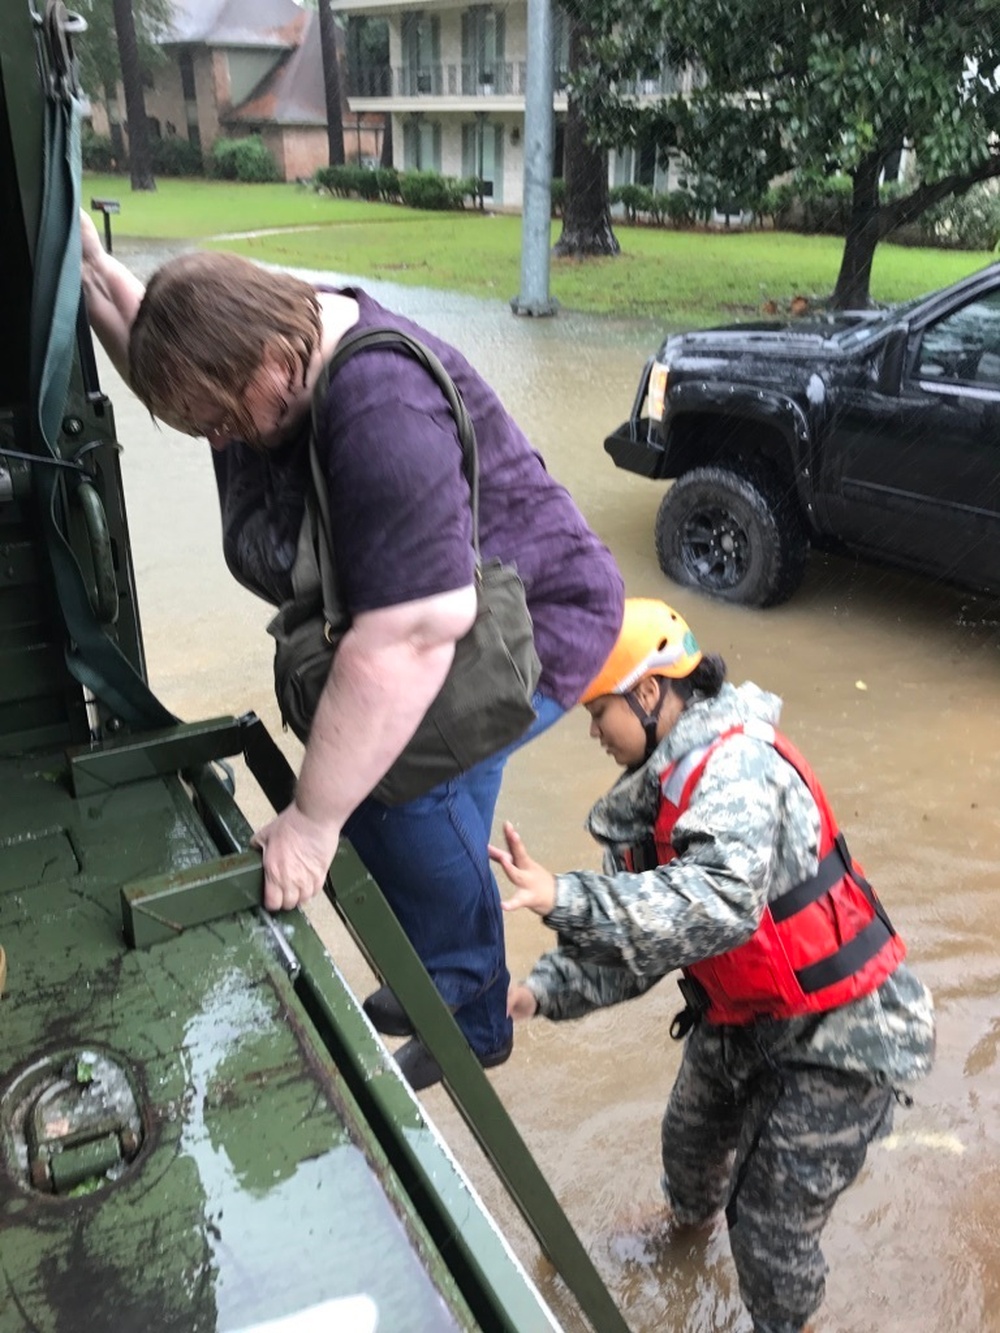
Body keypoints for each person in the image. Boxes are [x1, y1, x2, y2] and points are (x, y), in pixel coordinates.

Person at [79, 211, 624, 1091]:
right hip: (426, 612)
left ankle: (473, 1010)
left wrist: (311, 821)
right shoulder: (261, 342)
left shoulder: (380, 408)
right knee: (372, 791)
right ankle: (439, 973)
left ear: (265, 361)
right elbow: (133, 307)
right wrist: (86, 266)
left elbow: (410, 634)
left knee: (403, 793)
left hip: (531, 620)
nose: (226, 436)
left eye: (225, 417)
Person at [489, 598, 935, 1333]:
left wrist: (564, 895)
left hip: (842, 1036)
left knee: (764, 1228)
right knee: (689, 1150)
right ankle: (684, 1230)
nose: (593, 730)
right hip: (742, 1020)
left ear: (650, 691)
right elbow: (637, 945)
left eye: (599, 710)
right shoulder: (648, 800)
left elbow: (718, 902)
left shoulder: (733, 761)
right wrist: (534, 993)